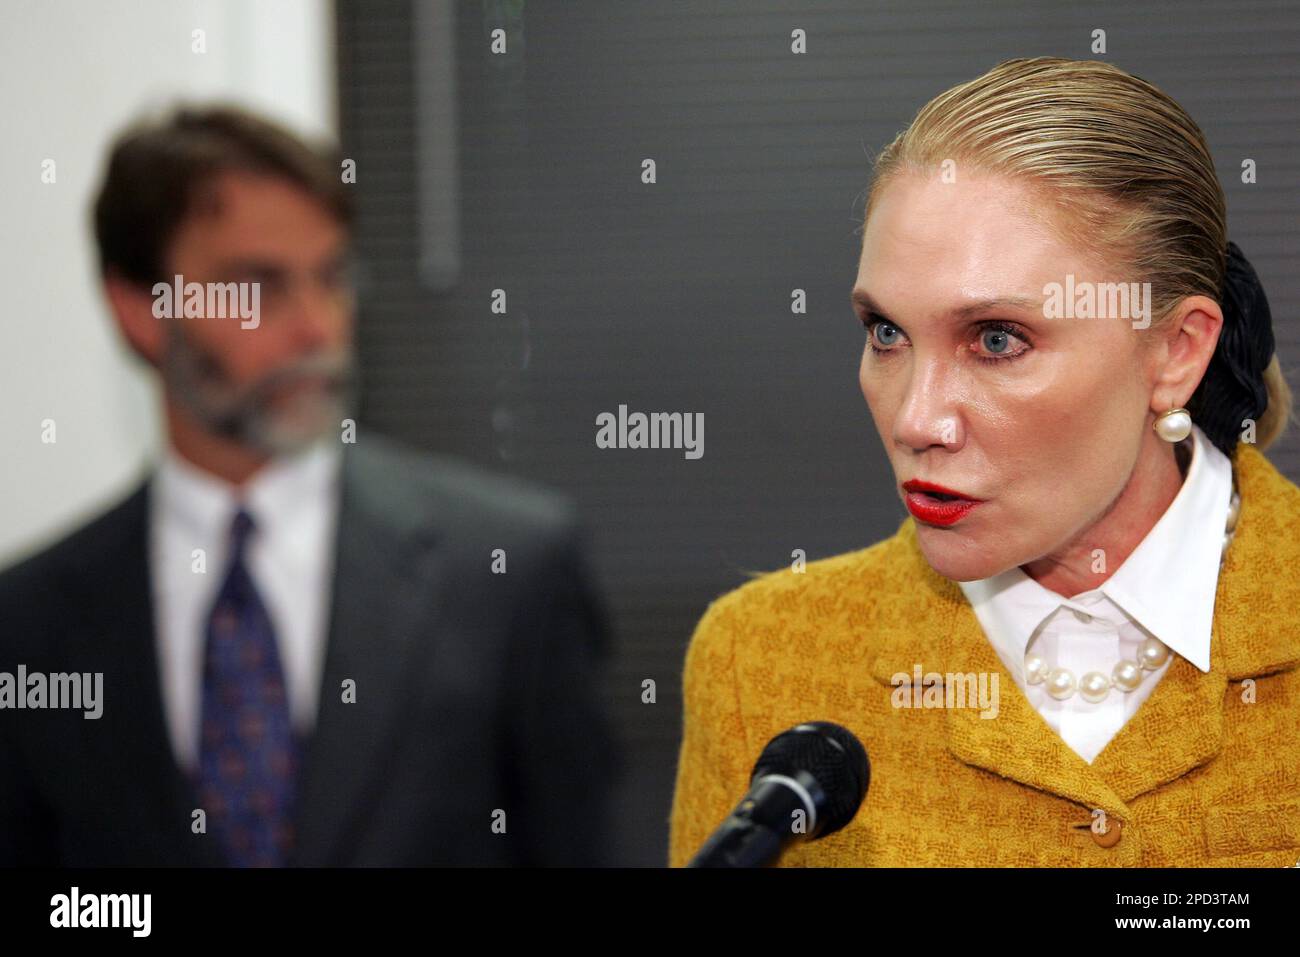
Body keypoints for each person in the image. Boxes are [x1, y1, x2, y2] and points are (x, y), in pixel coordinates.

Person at [670, 57, 1298, 867]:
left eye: (998, 339)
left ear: (1176, 352)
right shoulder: (758, 661)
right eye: (886, 332)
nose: (917, 418)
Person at [0, 105, 619, 867]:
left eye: (332, 278)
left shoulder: (507, 573)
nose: (317, 328)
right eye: (257, 287)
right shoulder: (27, 623)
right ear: (140, 310)